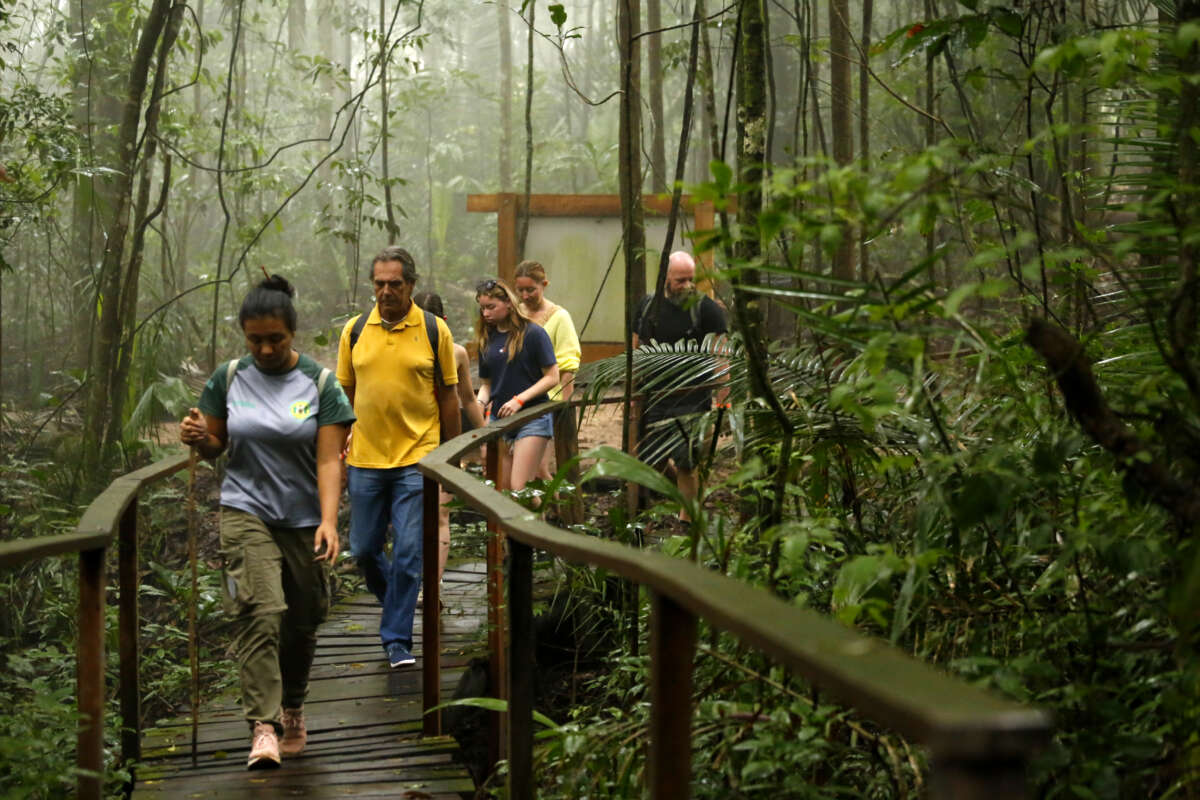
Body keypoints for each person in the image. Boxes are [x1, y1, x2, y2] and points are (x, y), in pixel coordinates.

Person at [179, 274, 355, 769]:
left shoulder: (320, 384)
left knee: (302, 620)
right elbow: (216, 445)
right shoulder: (229, 378)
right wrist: (198, 435)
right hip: (244, 509)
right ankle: (264, 725)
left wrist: (328, 521)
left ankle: (294, 705)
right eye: (255, 339)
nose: (265, 348)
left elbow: (328, 461)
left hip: (302, 519)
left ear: (292, 332)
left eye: (274, 338)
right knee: (260, 610)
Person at [336, 247, 460, 670]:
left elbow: (449, 395)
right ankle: (397, 605)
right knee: (364, 550)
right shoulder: (354, 331)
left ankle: (396, 640)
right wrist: (337, 444)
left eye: (394, 284)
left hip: (418, 459)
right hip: (365, 458)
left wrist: (451, 457)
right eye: (379, 284)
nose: (385, 291)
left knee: (409, 551)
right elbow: (344, 395)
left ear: (411, 284)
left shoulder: (432, 330)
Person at [632, 251, 728, 519]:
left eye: (690, 280)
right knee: (652, 458)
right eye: (679, 280)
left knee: (687, 463)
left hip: (693, 398)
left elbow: (721, 356)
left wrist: (724, 398)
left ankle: (688, 520)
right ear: (665, 279)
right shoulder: (648, 306)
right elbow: (636, 346)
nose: (686, 286)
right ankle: (683, 496)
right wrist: (634, 390)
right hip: (655, 397)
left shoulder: (706, 310)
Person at [412, 290, 486, 583]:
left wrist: (483, 438)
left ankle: (433, 585)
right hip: (407, 438)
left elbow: (468, 398)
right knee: (412, 516)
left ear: (443, 321)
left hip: (444, 439)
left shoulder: (455, 352)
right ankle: (413, 580)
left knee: (441, 514)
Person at [474, 278, 560, 493]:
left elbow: (552, 377)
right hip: (500, 419)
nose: (485, 313)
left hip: (532, 417)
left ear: (508, 303)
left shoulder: (533, 333)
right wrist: (479, 403)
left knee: (520, 489)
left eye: (491, 307)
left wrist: (520, 399)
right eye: (482, 308)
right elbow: (487, 384)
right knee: (503, 490)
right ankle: (533, 525)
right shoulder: (486, 339)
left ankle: (541, 525)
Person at [514, 260, 582, 481]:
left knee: (539, 468)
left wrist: (565, 405)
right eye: (520, 290)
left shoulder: (560, 317)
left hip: (546, 401)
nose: (525, 295)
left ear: (544, 284)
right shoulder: (516, 314)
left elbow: (568, 364)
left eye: (531, 289)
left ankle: (559, 511)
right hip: (517, 399)